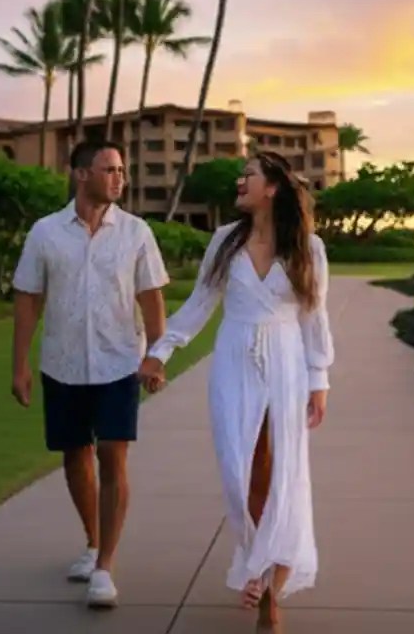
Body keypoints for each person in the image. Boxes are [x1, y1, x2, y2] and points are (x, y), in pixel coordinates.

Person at [138, 150, 334, 630]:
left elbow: (314, 316)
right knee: (238, 470)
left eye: (248, 175)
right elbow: (200, 302)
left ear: (273, 188)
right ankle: (254, 553)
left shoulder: (307, 247)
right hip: (234, 360)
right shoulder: (225, 240)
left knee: (281, 469)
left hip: (286, 360)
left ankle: (270, 583)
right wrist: (161, 351)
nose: (239, 182)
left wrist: (319, 378)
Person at [10, 141, 170, 609]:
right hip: (62, 364)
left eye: (122, 169)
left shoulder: (136, 232)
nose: (120, 178)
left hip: (119, 362)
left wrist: (156, 356)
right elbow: (28, 299)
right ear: (81, 174)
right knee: (75, 456)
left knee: (112, 455)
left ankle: (104, 568)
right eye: (109, 169)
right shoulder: (45, 232)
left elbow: (151, 298)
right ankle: (93, 542)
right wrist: (19, 365)